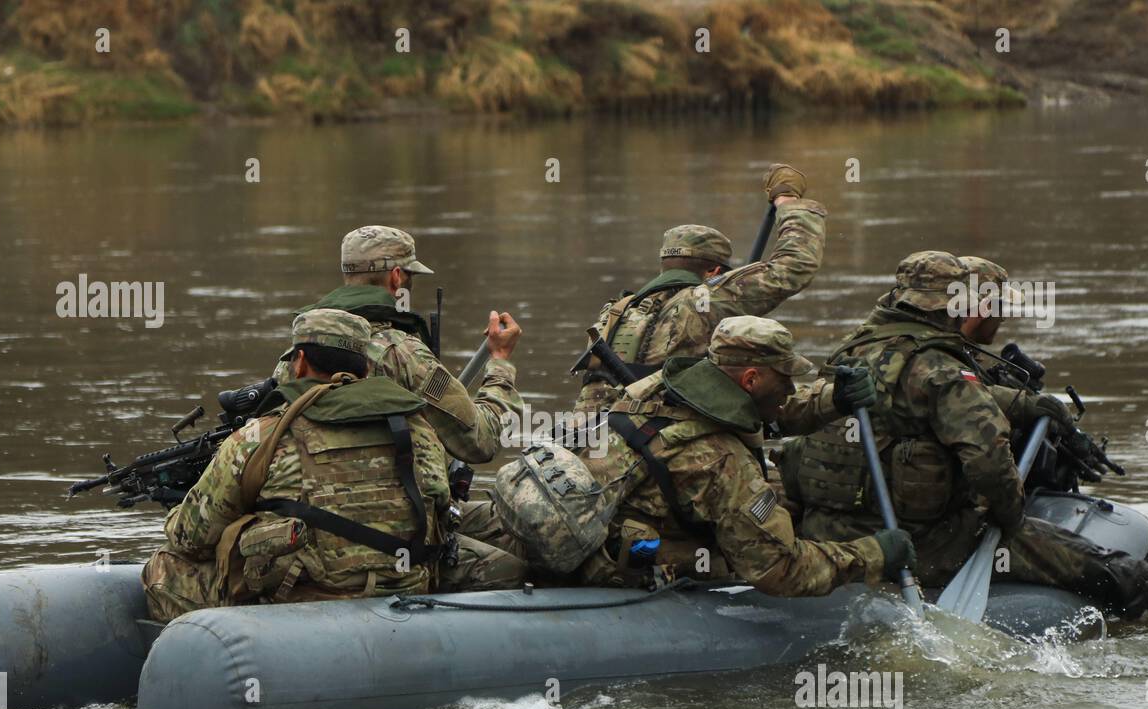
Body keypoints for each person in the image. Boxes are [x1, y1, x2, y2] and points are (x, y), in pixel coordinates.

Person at [790, 251, 1148, 618]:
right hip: (920, 543)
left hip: (827, 531)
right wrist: (1009, 517)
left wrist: (1019, 403)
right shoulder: (942, 369)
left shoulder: (851, 352)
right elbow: (988, 460)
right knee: (1028, 537)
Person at [480, 315, 913, 596]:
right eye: (784, 380)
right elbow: (781, 571)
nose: (790, 391)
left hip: (594, 520)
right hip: (622, 565)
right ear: (749, 378)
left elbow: (767, 414)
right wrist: (872, 555)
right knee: (756, 543)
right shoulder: (724, 463)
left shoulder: (651, 389)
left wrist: (830, 399)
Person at [142, 309, 524, 623]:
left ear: (301, 361)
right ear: (363, 366)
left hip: (297, 604)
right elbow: (441, 508)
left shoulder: (263, 435)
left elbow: (190, 538)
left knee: (162, 567)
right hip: (407, 591)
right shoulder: (420, 430)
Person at [572, 164, 828, 416]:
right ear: (714, 273)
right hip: (658, 445)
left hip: (591, 440)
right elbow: (795, 266)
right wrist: (787, 200)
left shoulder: (618, 311)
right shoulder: (704, 302)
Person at [285, 225, 523, 464]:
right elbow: (481, 441)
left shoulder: (296, 353)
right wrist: (500, 363)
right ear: (397, 276)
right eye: (411, 275)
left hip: (304, 497)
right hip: (391, 498)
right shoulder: (405, 354)